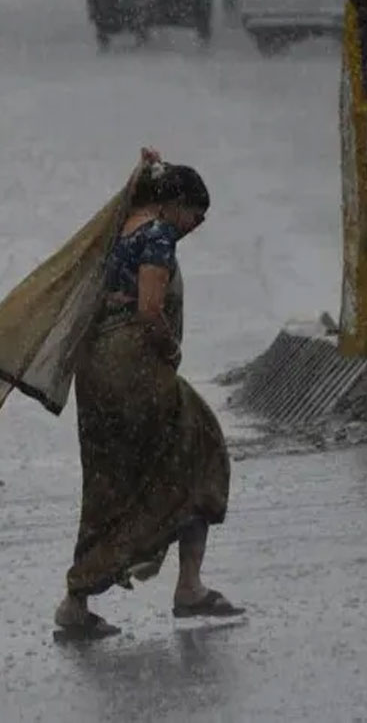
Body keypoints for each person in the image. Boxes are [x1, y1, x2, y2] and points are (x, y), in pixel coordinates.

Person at [54, 148, 244, 639]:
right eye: (194, 217)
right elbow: (149, 307)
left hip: (94, 371)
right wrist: (171, 347)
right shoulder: (158, 235)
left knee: (109, 482)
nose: (192, 228)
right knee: (200, 450)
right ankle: (189, 586)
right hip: (131, 367)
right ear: (174, 203)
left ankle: (76, 602)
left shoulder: (123, 224)